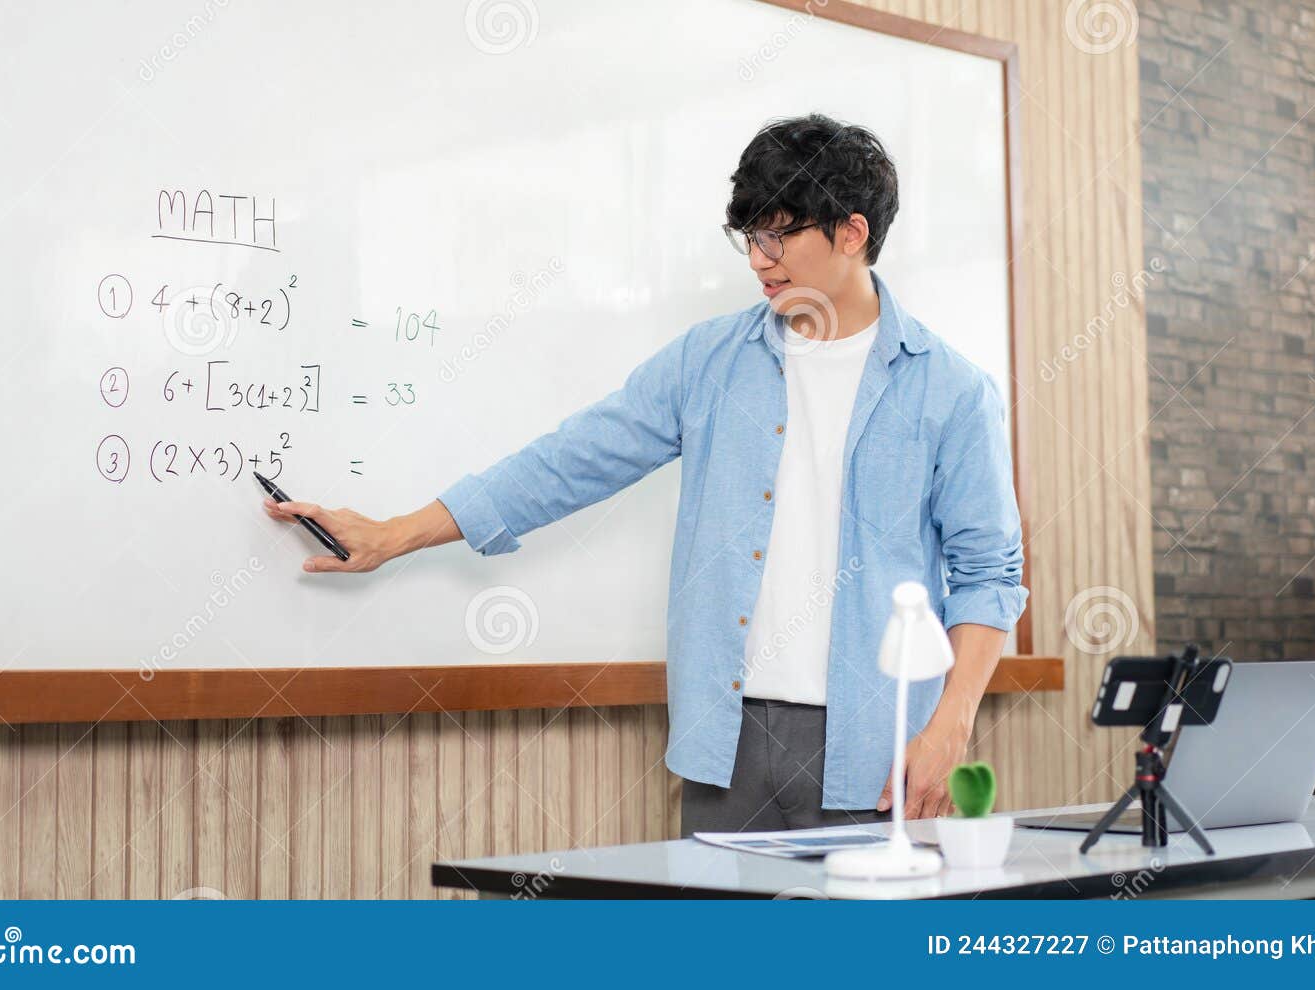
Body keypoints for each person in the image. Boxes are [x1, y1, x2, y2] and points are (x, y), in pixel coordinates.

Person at [263, 113, 1027, 836]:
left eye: (777, 235)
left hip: (882, 744)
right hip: (727, 739)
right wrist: (398, 533)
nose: (759, 259)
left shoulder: (951, 391)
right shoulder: (708, 362)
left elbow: (988, 570)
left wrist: (949, 726)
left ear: (852, 233)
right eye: (749, 236)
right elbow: (572, 460)